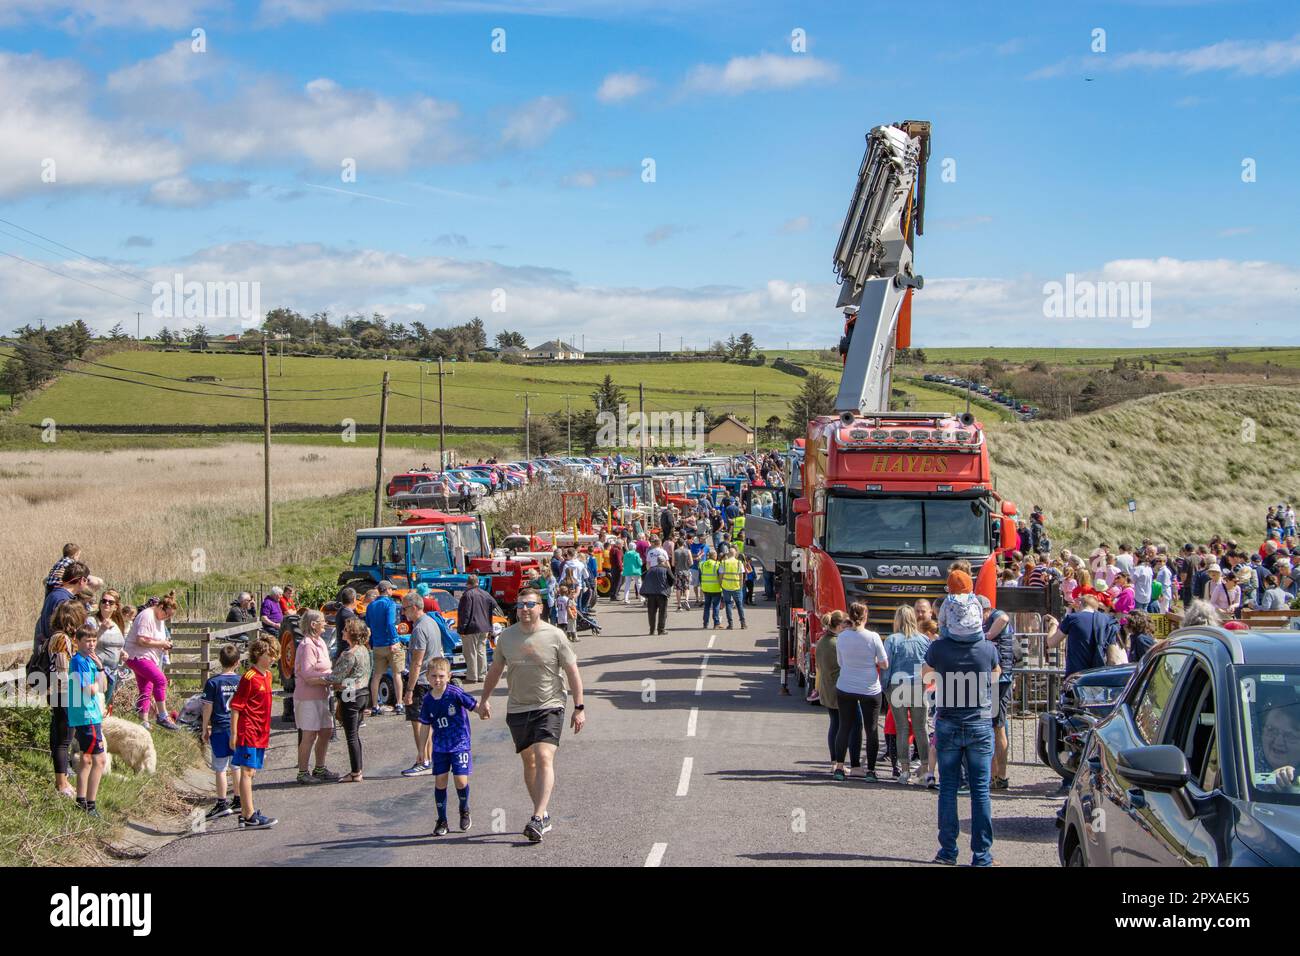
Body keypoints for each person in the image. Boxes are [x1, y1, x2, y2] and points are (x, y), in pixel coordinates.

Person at [478, 588, 586, 844]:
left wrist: (579, 707)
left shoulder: (555, 635)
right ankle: (543, 812)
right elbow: (495, 670)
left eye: (529, 604)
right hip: (518, 707)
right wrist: (484, 700)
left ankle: (537, 817)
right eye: (520, 605)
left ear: (540, 607)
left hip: (550, 705)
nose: (524, 609)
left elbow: (572, 672)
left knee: (543, 755)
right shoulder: (506, 637)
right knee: (530, 763)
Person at [924, 593, 1001, 866]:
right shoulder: (987, 649)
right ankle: (982, 855)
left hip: (948, 721)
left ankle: (947, 852)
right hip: (979, 720)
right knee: (981, 791)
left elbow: (926, 676)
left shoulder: (938, 648)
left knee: (948, 788)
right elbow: (995, 677)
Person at [418, 657, 479, 836]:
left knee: (461, 781)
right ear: (428, 677)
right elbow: (425, 726)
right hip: (440, 747)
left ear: (449, 676)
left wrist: (483, 709)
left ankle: (464, 808)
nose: (438, 680)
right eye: (434, 676)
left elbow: (473, 704)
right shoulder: (428, 700)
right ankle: (442, 820)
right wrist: (422, 750)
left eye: (441, 676)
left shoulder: (455, 693)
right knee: (440, 781)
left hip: (460, 743)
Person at [831, 603, 888, 782]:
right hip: (869, 688)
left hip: (846, 685)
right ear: (865, 617)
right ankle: (870, 770)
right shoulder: (873, 637)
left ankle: (839, 767)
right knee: (871, 729)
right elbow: (884, 663)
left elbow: (840, 662)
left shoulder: (842, 637)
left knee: (844, 727)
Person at [229, 638, 279, 829]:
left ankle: (244, 812)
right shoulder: (249, 678)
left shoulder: (267, 676)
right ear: (258, 655)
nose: (273, 659)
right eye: (270, 655)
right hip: (248, 730)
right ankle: (249, 815)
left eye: (275, 655)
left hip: (261, 731)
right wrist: (234, 733)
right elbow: (236, 706)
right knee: (247, 772)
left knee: (252, 771)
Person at [401, 590, 446, 776]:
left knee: (419, 723)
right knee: (427, 723)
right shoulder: (432, 622)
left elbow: (417, 662)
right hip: (432, 680)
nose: (404, 613)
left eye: (405, 609)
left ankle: (423, 760)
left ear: (413, 607)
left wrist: (409, 689)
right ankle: (429, 760)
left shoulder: (419, 629)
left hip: (422, 681)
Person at [882, 605, 929, 785]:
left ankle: (905, 771)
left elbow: (887, 667)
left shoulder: (892, 640)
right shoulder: (924, 640)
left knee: (901, 728)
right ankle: (925, 769)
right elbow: (929, 664)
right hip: (918, 685)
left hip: (897, 685)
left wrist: (885, 687)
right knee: (920, 728)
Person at [294, 609, 339, 783]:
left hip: (322, 695)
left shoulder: (319, 641)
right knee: (309, 734)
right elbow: (307, 674)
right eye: (322, 621)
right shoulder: (307, 645)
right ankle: (303, 772)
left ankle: (320, 767)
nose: (325, 624)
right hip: (307, 697)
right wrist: (328, 679)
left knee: (326, 731)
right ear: (313, 624)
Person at [67, 623, 108, 818]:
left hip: (92, 713)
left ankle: (81, 801)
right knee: (99, 759)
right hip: (86, 714)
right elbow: (91, 690)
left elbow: (104, 686)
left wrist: (100, 667)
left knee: (86, 758)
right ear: (78, 642)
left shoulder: (91, 660)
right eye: (87, 641)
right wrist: (97, 682)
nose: (91, 644)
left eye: (94, 640)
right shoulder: (79, 661)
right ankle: (91, 805)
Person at [125, 592, 179, 730]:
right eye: (167, 614)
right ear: (160, 606)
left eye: (170, 616)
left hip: (148, 657)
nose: (167, 618)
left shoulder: (159, 619)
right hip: (137, 656)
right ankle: (162, 716)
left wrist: (164, 642)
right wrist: (161, 644)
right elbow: (141, 640)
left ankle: (143, 722)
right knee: (161, 680)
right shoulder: (147, 616)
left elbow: (156, 638)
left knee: (146, 688)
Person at [201, 644, 244, 819]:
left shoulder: (212, 682)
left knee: (220, 767)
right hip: (237, 727)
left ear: (220, 661)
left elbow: (207, 707)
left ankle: (221, 802)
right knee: (236, 765)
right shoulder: (241, 681)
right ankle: (239, 798)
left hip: (219, 727)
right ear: (238, 662)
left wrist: (205, 727)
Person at [328, 617, 372, 782]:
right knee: (355, 734)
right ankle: (357, 770)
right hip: (363, 693)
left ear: (351, 633)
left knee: (351, 735)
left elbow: (335, 676)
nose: (342, 631)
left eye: (345, 630)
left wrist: (316, 680)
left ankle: (355, 772)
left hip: (350, 696)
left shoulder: (349, 654)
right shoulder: (364, 650)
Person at [981, 596, 1016, 791]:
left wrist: (986, 636)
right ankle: (993, 774)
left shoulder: (996, 616)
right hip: (991, 680)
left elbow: (1004, 618)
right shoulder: (988, 618)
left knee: (997, 726)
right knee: (993, 726)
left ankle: (1000, 775)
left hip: (999, 681)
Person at [816, 611, 856, 768]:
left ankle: (834, 760)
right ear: (839, 626)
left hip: (827, 687)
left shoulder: (823, 641)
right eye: (846, 625)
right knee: (841, 726)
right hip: (837, 688)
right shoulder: (836, 644)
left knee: (834, 723)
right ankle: (837, 761)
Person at [1045, 595, 1116, 677]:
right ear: (1096, 607)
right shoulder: (1108, 621)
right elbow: (1112, 660)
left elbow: (1051, 642)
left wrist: (1054, 624)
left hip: (1076, 677)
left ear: (1080, 604)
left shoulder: (1072, 618)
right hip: (1098, 677)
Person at [366, 580, 404, 717]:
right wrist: (394, 640)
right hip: (390, 643)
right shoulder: (390, 604)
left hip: (377, 644)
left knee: (377, 675)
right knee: (397, 674)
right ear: (387, 590)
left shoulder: (371, 606)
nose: (392, 591)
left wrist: (371, 642)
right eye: (391, 589)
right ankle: (399, 704)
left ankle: (375, 706)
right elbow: (390, 623)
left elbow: (368, 625)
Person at [456, 574, 502, 683]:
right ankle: (482, 675)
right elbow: (494, 604)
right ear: (477, 583)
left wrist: (461, 629)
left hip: (471, 627)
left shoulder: (467, 595)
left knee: (470, 652)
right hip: (484, 626)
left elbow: (465, 613)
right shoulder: (485, 594)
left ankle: (472, 677)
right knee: (481, 651)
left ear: (468, 584)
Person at [92, 590, 126, 713]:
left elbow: (117, 643)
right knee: (97, 705)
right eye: (104, 601)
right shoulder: (92, 621)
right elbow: (87, 642)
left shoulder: (117, 623)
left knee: (105, 705)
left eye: (110, 602)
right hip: (97, 669)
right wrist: (101, 629)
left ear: (116, 607)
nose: (106, 604)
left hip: (113, 671)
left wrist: (121, 652)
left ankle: (102, 730)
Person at [937, 570, 982, 640]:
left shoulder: (949, 600)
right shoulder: (973, 598)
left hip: (954, 635)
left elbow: (941, 619)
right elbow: (980, 614)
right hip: (975, 633)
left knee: (942, 629)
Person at [641, 559, 673, 636]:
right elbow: (672, 580)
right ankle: (661, 630)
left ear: (657, 561)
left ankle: (652, 630)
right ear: (664, 562)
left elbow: (643, 576)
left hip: (651, 593)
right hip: (662, 593)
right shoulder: (666, 569)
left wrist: (650, 583)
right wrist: (667, 586)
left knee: (651, 612)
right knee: (663, 612)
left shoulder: (651, 569)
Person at [718, 547, 747, 630]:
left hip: (726, 587)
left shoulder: (723, 563)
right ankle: (743, 623)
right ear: (735, 554)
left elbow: (720, 575)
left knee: (728, 605)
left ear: (728, 554)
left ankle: (730, 624)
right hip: (736, 587)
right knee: (739, 605)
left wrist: (721, 584)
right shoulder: (739, 563)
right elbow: (741, 576)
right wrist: (741, 586)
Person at [673, 538, 693, 611]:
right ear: (684, 544)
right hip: (686, 572)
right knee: (687, 587)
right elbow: (691, 563)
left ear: (678, 544)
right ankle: (686, 601)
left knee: (678, 588)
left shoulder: (675, 551)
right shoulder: (688, 551)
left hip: (678, 572)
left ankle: (679, 605)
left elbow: (673, 564)